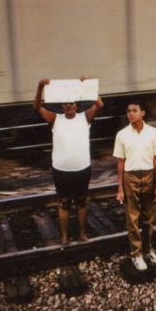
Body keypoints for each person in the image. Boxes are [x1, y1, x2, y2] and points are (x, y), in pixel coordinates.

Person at [33, 78, 104, 245]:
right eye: (65, 103)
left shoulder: (84, 117)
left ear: (76, 105)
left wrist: (88, 86)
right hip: (61, 170)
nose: (69, 106)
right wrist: (40, 87)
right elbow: (36, 107)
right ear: (61, 106)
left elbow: (100, 104)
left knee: (81, 202)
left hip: (82, 168)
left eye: (72, 103)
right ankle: (64, 237)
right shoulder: (55, 118)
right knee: (64, 203)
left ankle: (82, 234)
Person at [114, 102, 156, 271]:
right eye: (128, 111)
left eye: (135, 111)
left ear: (142, 112)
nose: (131, 114)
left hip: (149, 175)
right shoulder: (122, 135)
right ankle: (136, 254)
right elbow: (120, 162)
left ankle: (149, 250)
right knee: (133, 217)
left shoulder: (153, 132)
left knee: (149, 217)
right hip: (130, 176)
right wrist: (120, 188)